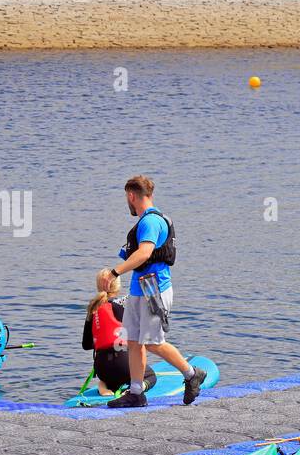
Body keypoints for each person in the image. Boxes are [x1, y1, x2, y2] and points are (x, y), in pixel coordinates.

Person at [106, 175, 207, 408]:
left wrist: (114, 272)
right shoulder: (145, 220)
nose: (127, 202)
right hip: (138, 289)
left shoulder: (151, 222)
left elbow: (144, 253)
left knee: (152, 342)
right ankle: (136, 392)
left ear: (131, 196)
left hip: (154, 291)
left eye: (127, 198)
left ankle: (192, 374)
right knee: (133, 341)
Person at [81, 268, 155, 396]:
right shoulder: (124, 307)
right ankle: (135, 389)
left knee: (109, 379)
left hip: (103, 369)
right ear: (118, 287)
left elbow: (86, 345)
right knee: (151, 376)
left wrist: (103, 338)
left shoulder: (92, 311)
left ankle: (103, 386)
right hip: (125, 366)